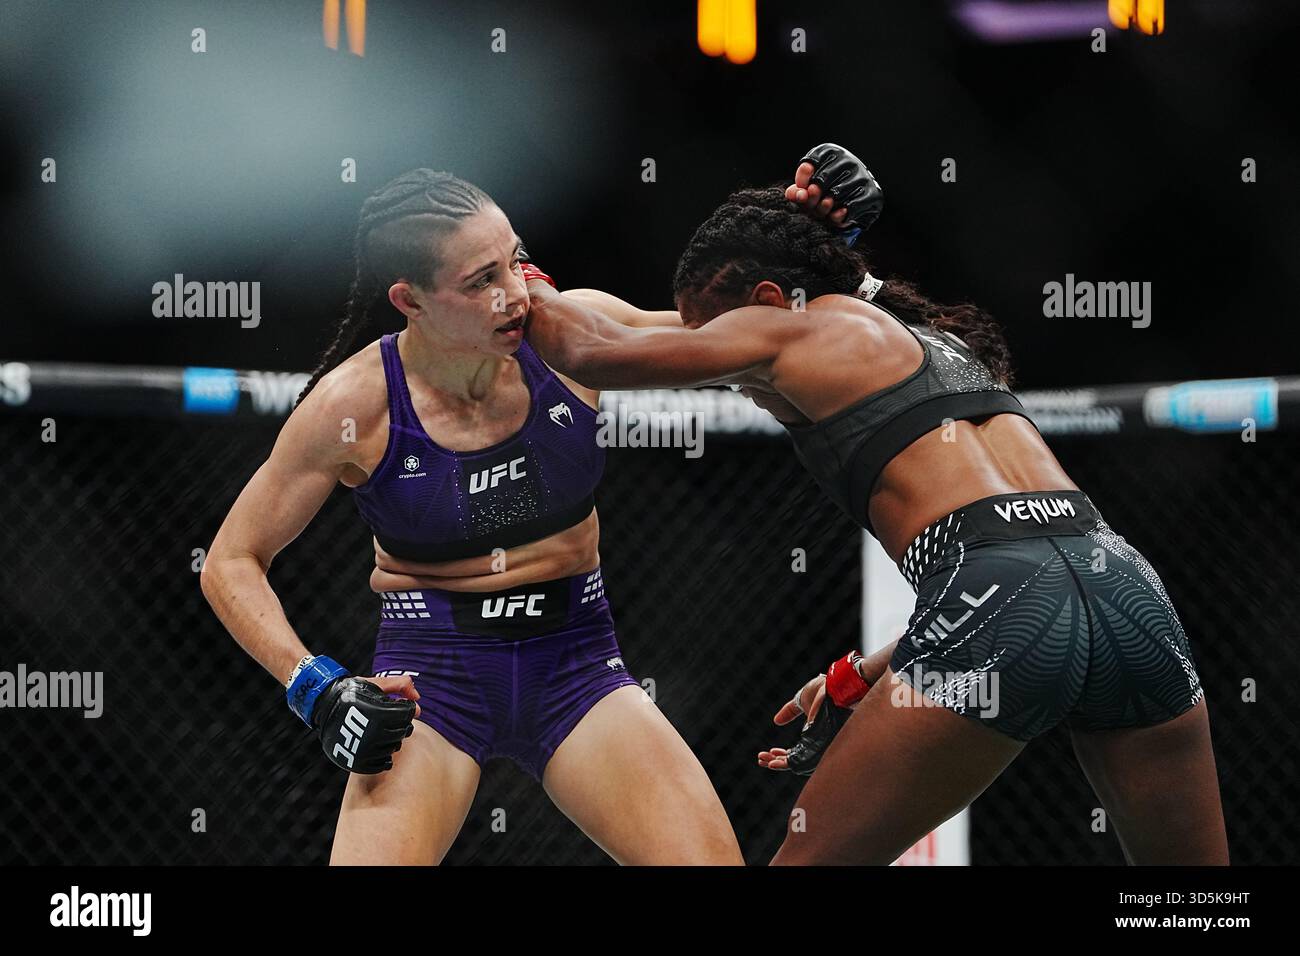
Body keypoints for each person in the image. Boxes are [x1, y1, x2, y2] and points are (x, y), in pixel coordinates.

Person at [523, 144, 1230, 865]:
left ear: (767, 301)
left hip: (997, 599)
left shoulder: (790, 328)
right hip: (1124, 586)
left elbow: (586, 349)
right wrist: (880, 667)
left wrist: (506, 270)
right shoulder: (927, 336)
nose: (724, 365)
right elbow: (1038, 565)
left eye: (717, 337)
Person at [200, 169, 742, 865]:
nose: (515, 293)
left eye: (515, 260)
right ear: (410, 300)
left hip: (577, 665)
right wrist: (317, 687)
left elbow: (738, 336)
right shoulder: (354, 406)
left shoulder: (571, 336)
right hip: (432, 683)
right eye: (482, 280)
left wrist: (839, 275)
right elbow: (230, 561)